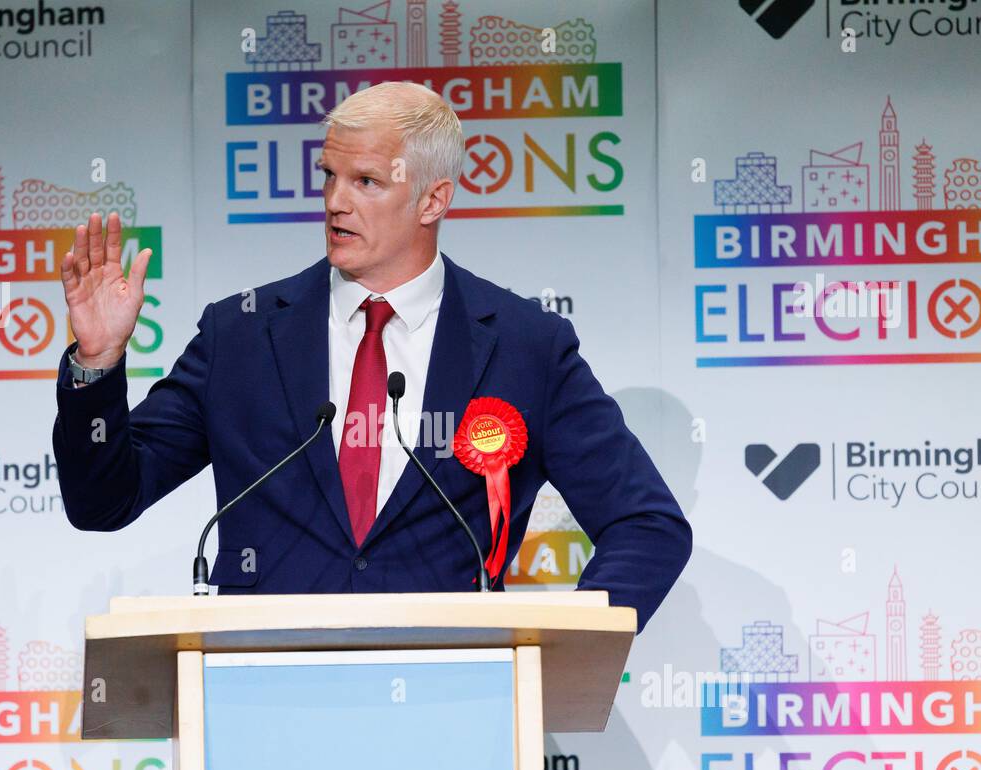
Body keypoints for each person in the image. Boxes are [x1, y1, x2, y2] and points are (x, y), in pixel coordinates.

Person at [51, 81, 691, 631]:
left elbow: (648, 527)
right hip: (264, 708)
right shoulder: (239, 337)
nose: (335, 201)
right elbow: (104, 502)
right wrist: (96, 362)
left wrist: (558, 654)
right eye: (330, 175)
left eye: (366, 182)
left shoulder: (527, 347)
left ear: (433, 200)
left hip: (455, 711)